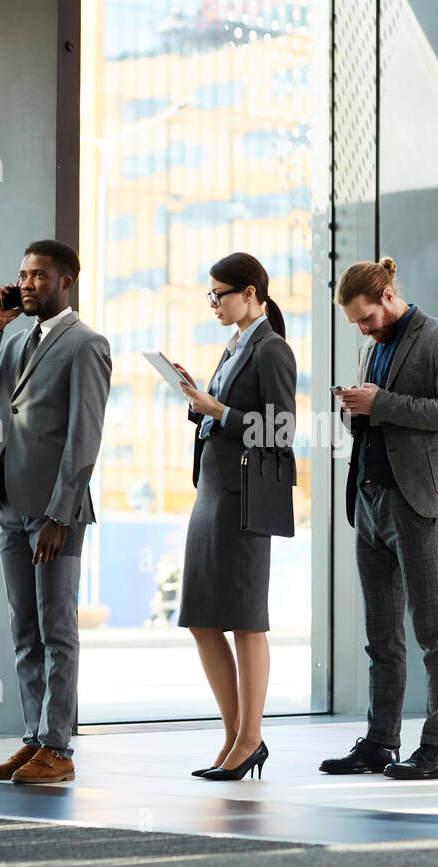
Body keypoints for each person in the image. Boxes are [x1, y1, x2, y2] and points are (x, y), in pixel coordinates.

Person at [0, 239, 112, 784]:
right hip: (8, 503)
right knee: (24, 628)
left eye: (39, 276)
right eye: (23, 274)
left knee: (57, 628)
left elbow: (84, 436)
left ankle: (60, 748)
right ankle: (33, 739)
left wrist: (61, 514)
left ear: (66, 282)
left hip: (56, 514)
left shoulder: (87, 344)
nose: (26, 284)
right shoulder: (14, 339)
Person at [320, 257, 438, 780]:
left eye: (365, 318)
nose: (362, 330)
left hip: (419, 502)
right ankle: (381, 741)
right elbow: (378, 415)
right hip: (369, 500)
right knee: (381, 635)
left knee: (432, 628)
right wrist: (355, 407)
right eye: (356, 324)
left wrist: (380, 402)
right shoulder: (371, 346)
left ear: (387, 296)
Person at [171, 253, 297, 781]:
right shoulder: (234, 347)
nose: (214, 303)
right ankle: (232, 735)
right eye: (211, 295)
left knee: (245, 618)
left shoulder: (271, 348)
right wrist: (200, 401)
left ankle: (250, 739)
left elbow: (281, 431)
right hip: (214, 490)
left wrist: (217, 411)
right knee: (201, 617)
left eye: (220, 294)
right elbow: (229, 418)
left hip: (245, 497)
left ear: (251, 293)